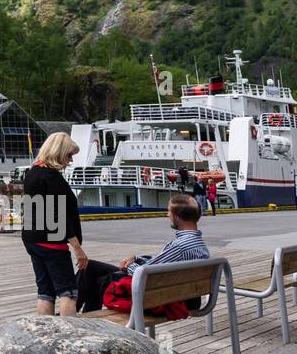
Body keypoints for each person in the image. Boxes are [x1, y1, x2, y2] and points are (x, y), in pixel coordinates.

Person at [77, 193, 210, 312]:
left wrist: (130, 266)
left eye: (169, 211)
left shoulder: (179, 245)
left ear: (178, 216)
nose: (167, 214)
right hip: (179, 293)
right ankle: (74, 314)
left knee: (94, 280)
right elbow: (159, 263)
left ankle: (70, 315)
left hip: (157, 297)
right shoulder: (199, 244)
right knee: (89, 266)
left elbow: (144, 274)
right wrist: (136, 259)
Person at [21, 132, 87, 316]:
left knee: (45, 292)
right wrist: (77, 248)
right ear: (58, 153)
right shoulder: (52, 177)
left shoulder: (32, 173)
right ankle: (69, 337)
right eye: (68, 155)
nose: (70, 161)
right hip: (51, 241)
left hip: (32, 238)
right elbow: (59, 216)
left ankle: (45, 335)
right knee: (68, 292)